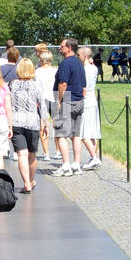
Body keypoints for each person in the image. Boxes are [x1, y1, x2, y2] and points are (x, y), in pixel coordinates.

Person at [52, 38, 87, 176]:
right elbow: (84, 86)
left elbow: (63, 84)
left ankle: (66, 165)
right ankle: (76, 164)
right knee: (75, 135)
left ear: (69, 48)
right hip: (79, 100)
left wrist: (59, 101)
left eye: (61, 46)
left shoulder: (66, 63)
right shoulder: (79, 63)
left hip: (67, 99)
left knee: (61, 134)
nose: (59, 48)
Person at [8, 58, 42, 193]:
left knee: (22, 154)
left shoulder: (12, 84)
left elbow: (9, 103)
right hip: (33, 122)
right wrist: (45, 123)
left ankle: (27, 183)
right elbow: (42, 106)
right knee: (32, 155)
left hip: (17, 121)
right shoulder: (37, 84)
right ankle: (31, 180)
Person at [77, 45, 103, 170]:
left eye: (79, 55)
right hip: (93, 100)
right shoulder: (94, 68)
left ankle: (94, 157)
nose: (78, 57)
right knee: (92, 131)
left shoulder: (85, 70)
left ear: (85, 56)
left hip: (86, 100)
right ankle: (94, 156)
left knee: (83, 133)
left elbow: (83, 87)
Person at [34, 50, 58, 158]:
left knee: (43, 126)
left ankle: (46, 152)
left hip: (42, 99)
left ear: (42, 60)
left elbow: (36, 87)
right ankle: (58, 151)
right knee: (57, 125)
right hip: (53, 98)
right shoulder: (55, 71)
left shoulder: (37, 72)